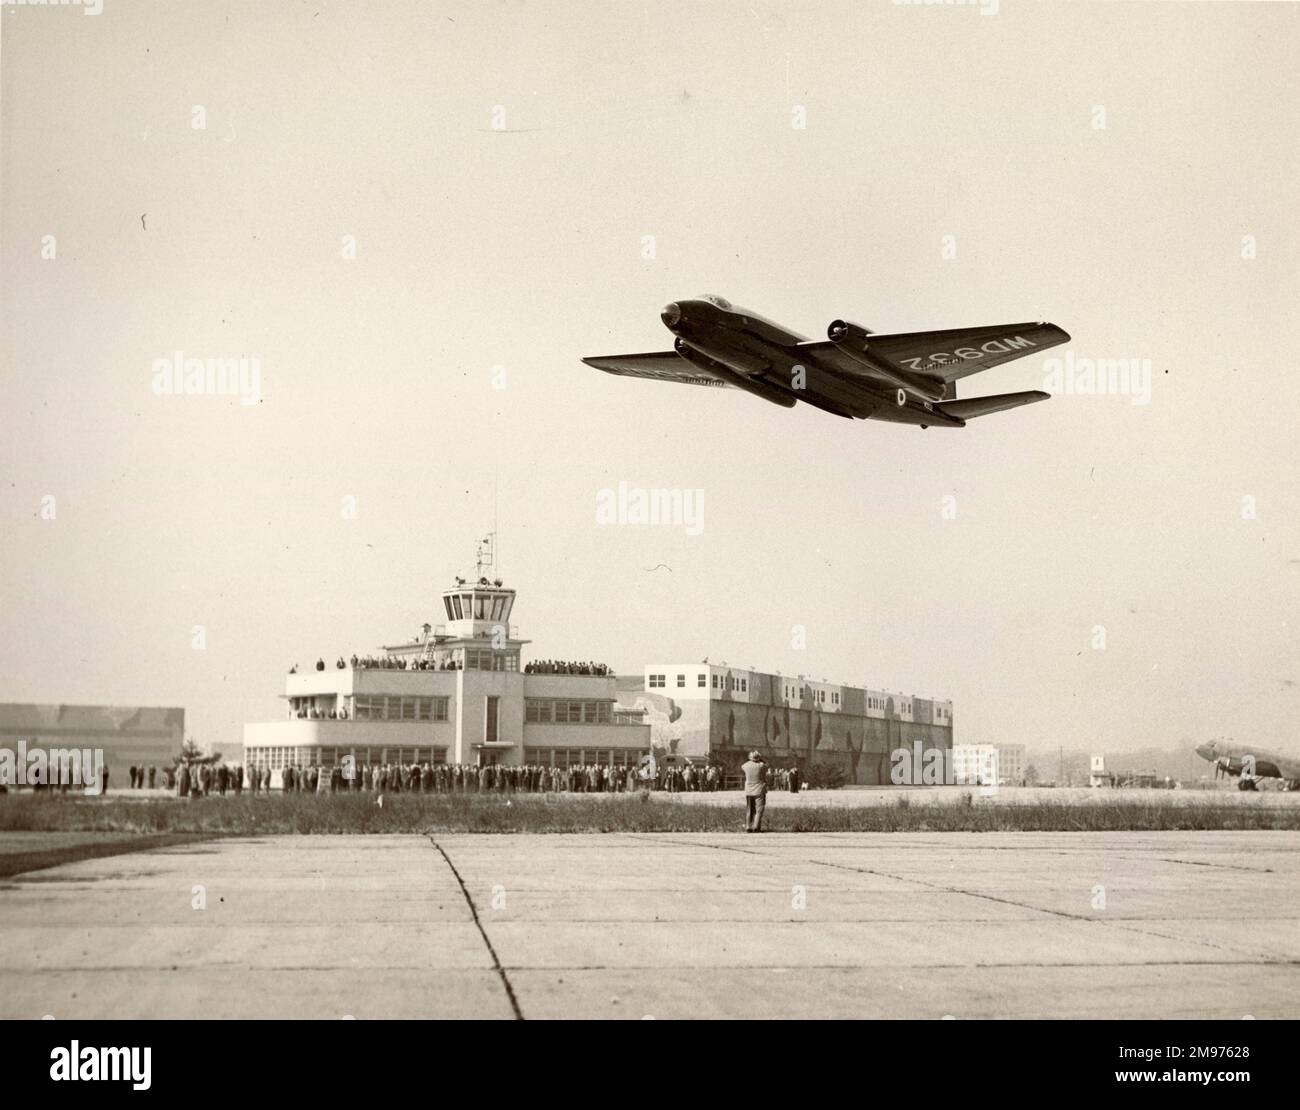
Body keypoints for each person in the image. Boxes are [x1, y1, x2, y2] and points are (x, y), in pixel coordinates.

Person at [741, 750, 767, 833]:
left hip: (749, 790)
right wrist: (761, 759)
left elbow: (742, 766)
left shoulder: (745, 765)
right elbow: (767, 765)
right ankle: (756, 827)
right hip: (759, 789)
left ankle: (748, 826)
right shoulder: (761, 765)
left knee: (749, 809)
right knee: (759, 809)